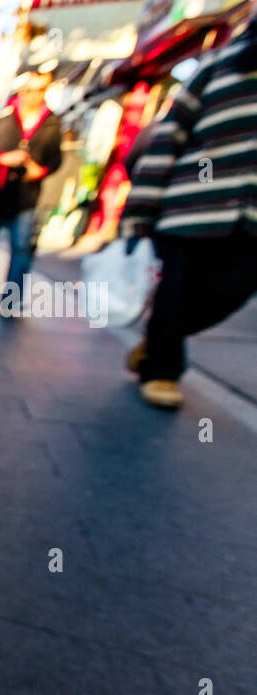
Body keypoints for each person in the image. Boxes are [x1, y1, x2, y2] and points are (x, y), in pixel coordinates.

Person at [120, 17, 257, 410]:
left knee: (232, 289)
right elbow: (169, 136)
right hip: (191, 205)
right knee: (176, 289)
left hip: (250, 218)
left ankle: (159, 336)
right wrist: (142, 211)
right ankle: (161, 369)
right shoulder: (218, 64)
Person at [0, 70, 62, 312]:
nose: (34, 96)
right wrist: (3, 158)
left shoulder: (52, 124)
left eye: (40, 90)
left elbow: (56, 161)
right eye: (29, 90)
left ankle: (11, 300)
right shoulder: (2, 122)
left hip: (25, 199)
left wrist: (40, 170)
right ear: (21, 92)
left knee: (22, 251)